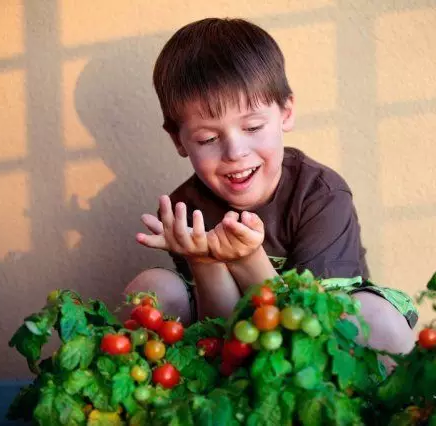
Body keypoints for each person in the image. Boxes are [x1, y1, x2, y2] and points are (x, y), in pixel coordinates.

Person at [126, 17, 417, 358]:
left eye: (252, 127)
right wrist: (205, 264)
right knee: (154, 289)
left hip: (329, 349)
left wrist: (249, 259)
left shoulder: (320, 195)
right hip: (241, 352)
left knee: (375, 316)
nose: (235, 153)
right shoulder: (186, 211)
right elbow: (222, 332)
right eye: (208, 138)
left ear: (285, 113)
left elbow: (311, 331)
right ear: (179, 140)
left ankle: (408, 407)